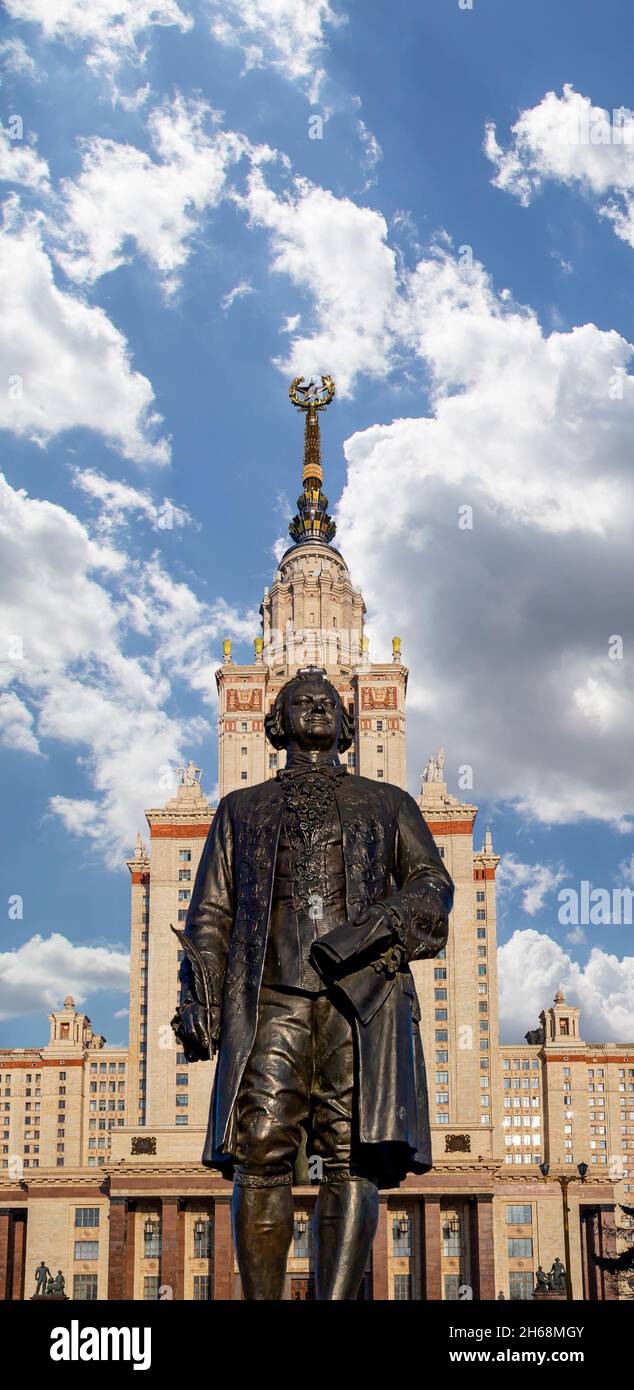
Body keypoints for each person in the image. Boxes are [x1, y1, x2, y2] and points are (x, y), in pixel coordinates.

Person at [172, 665, 454, 1300]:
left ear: (348, 722)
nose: (316, 709)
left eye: (327, 703)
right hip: (270, 998)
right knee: (260, 1148)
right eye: (300, 702)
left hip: (361, 1000)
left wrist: (377, 927)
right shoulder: (239, 809)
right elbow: (211, 913)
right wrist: (198, 995)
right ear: (277, 723)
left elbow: (434, 885)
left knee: (351, 1152)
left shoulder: (389, 803)